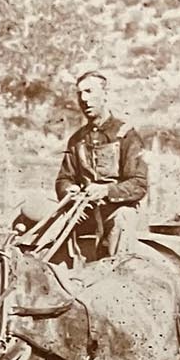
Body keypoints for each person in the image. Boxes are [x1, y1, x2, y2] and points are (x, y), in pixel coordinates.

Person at [42, 70, 150, 262]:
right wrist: (70, 190)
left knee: (122, 219)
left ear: (105, 94)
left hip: (118, 211)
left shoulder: (126, 135)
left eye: (90, 91)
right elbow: (64, 178)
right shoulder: (77, 140)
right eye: (80, 93)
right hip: (85, 213)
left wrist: (106, 190)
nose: (84, 99)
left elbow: (139, 184)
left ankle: (119, 278)